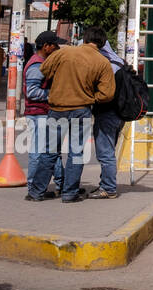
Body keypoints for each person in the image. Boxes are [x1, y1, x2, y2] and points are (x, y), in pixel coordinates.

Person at [38, 25, 117, 202]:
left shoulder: (65, 53)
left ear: (84, 38)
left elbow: (44, 69)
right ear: (103, 43)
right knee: (76, 152)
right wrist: (91, 96)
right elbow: (107, 94)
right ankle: (69, 193)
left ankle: (37, 191)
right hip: (81, 110)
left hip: (57, 109)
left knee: (50, 151)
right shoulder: (103, 62)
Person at [23, 31, 67, 201]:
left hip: (43, 113)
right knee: (38, 152)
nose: (57, 48)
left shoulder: (42, 62)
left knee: (51, 152)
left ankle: (60, 184)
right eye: (54, 45)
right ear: (46, 47)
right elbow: (33, 92)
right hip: (38, 113)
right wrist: (54, 94)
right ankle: (33, 187)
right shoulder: (36, 66)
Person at [88, 27, 124, 199]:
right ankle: (105, 184)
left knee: (105, 153)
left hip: (107, 112)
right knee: (109, 150)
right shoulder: (118, 61)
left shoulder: (104, 65)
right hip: (119, 114)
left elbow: (104, 92)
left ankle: (109, 188)